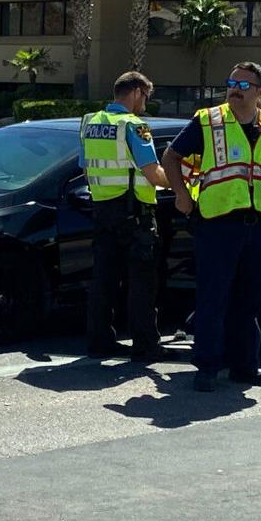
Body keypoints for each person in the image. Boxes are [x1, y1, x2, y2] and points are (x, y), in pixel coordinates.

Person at [162, 62, 261, 392]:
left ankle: (246, 366)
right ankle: (207, 365)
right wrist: (181, 194)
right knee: (213, 297)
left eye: (244, 85)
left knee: (252, 300)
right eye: (231, 82)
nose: (235, 89)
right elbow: (170, 157)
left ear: (260, 92)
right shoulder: (208, 120)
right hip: (217, 224)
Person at [79, 71, 176, 362]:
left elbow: (86, 168)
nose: (145, 104)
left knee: (103, 280)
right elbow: (154, 175)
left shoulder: (90, 122)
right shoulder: (134, 127)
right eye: (146, 97)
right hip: (134, 214)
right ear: (135, 92)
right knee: (142, 283)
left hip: (102, 211)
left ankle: (99, 341)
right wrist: (182, 180)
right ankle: (145, 345)